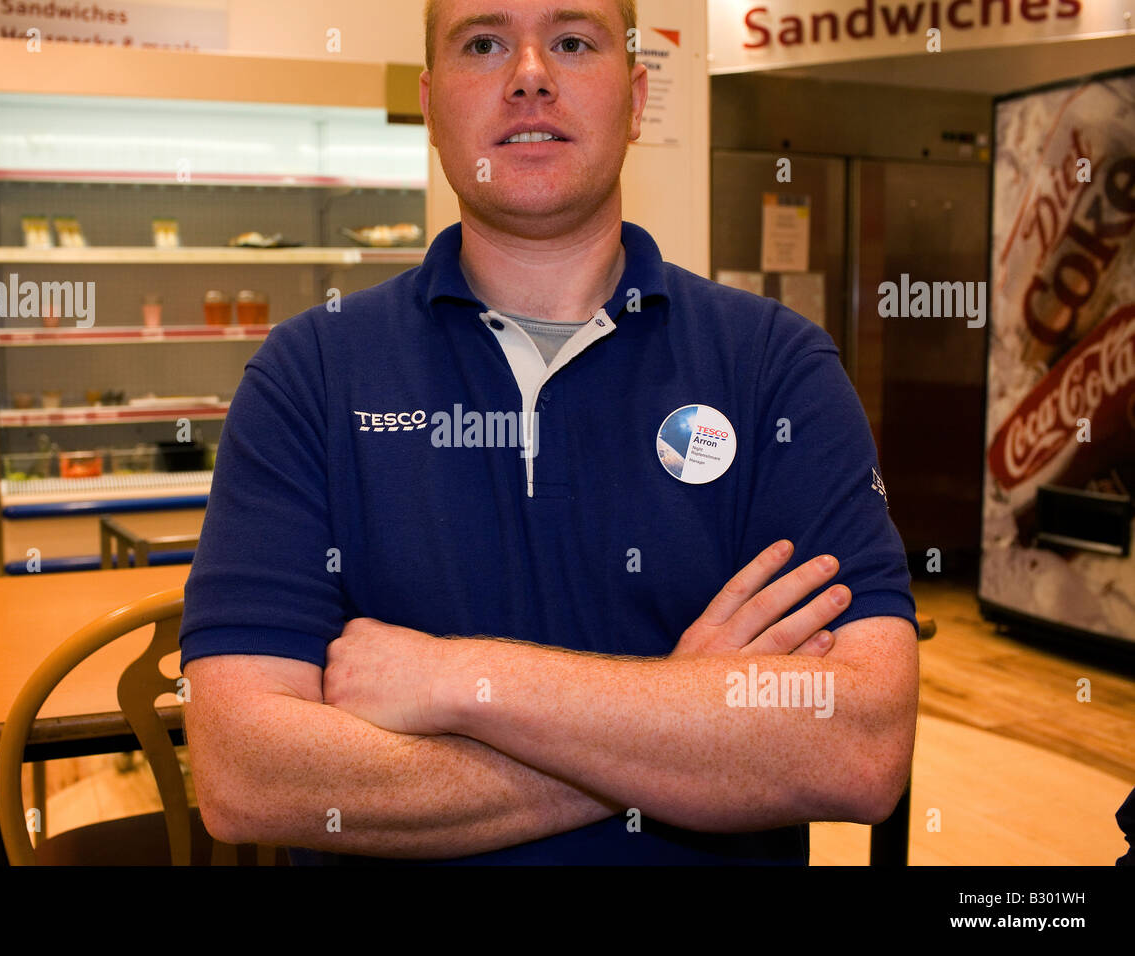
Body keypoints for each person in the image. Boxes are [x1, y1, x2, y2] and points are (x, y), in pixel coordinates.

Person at [179, 0, 920, 865]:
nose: (530, 73)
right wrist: (683, 716)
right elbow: (245, 773)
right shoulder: (309, 375)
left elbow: (860, 747)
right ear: (429, 104)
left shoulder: (774, 367)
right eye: (484, 43)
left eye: (572, 41)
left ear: (637, 99)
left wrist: (456, 682)